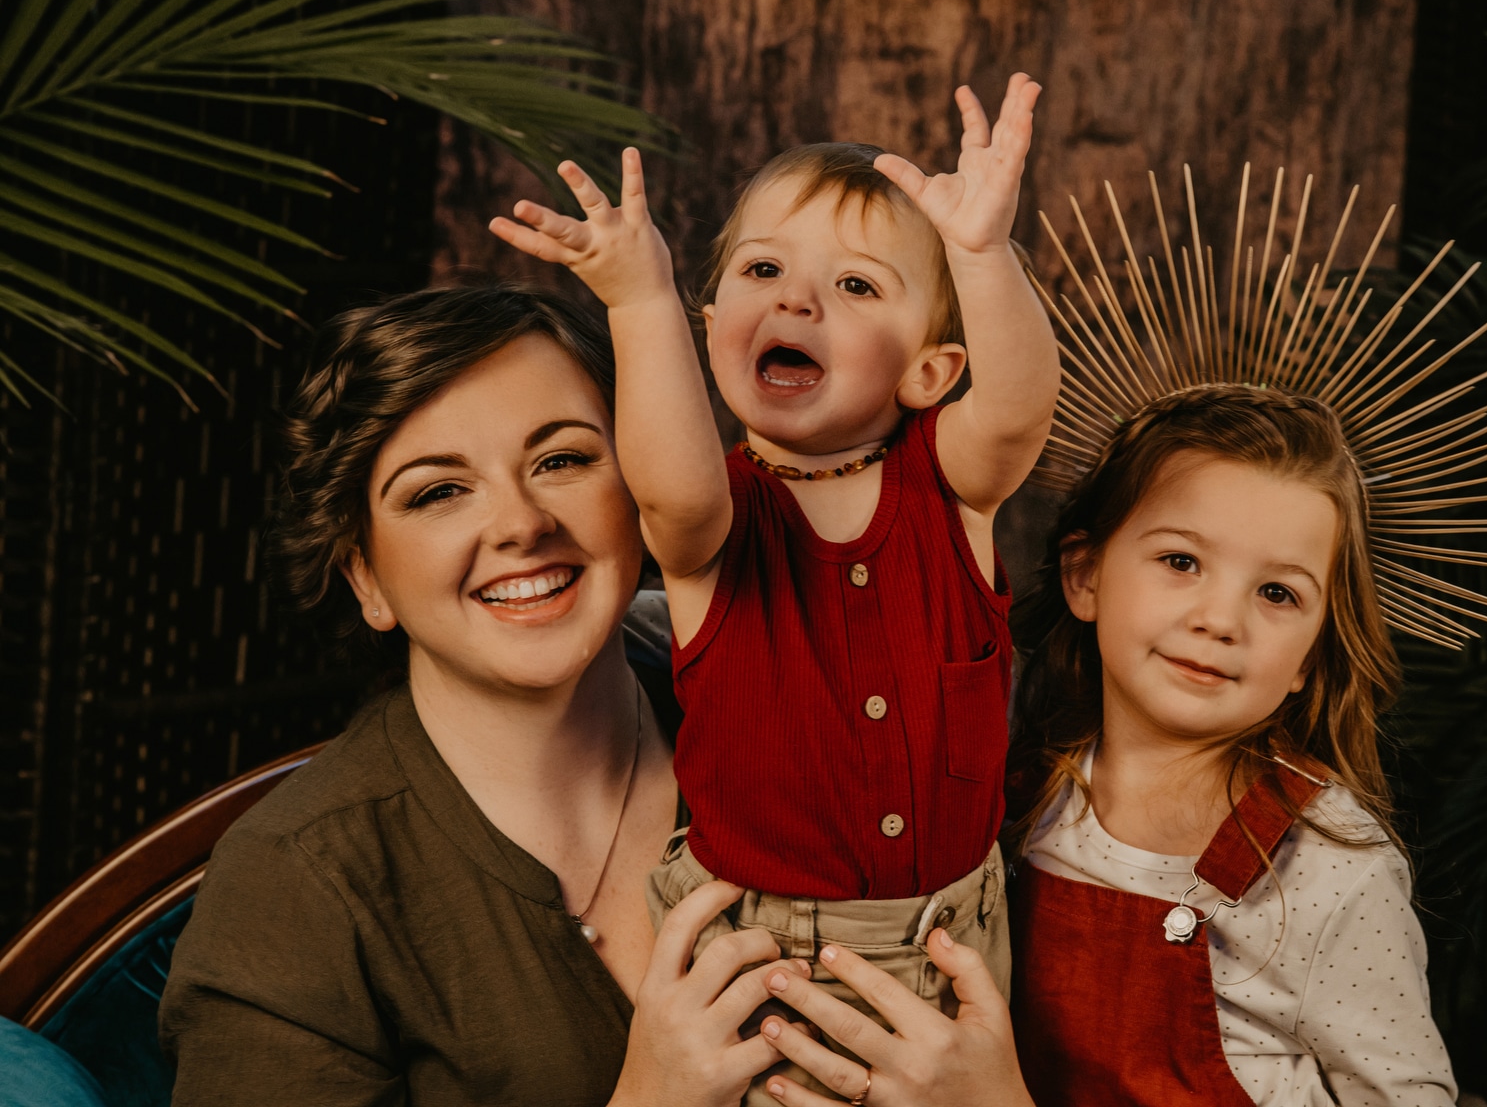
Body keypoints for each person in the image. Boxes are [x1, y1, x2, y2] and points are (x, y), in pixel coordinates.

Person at [158, 285, 1035, 1107]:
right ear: (365, 578)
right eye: (439, 491)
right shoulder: (298, 885)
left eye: (565, 458)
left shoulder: (827, 702)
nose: (521, 524)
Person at [486, 77, 1060, 1099]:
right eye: (764, 269)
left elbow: (1016, 409)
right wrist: (641, 301)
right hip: (762, 957)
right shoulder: (714, 520)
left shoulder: (952, 482)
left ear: (930, 371)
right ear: (713, 330)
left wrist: (980, 254)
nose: (797, 299)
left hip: (945, 942)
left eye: (857, 287)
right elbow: (667, 483)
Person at [1004, 386, 1459, 1107]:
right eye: (1181, 561)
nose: (1221, 619)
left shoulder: (1331, 868)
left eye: (1277, 594)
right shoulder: (1023, 804)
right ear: (1084, 576)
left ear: (1310, 656)